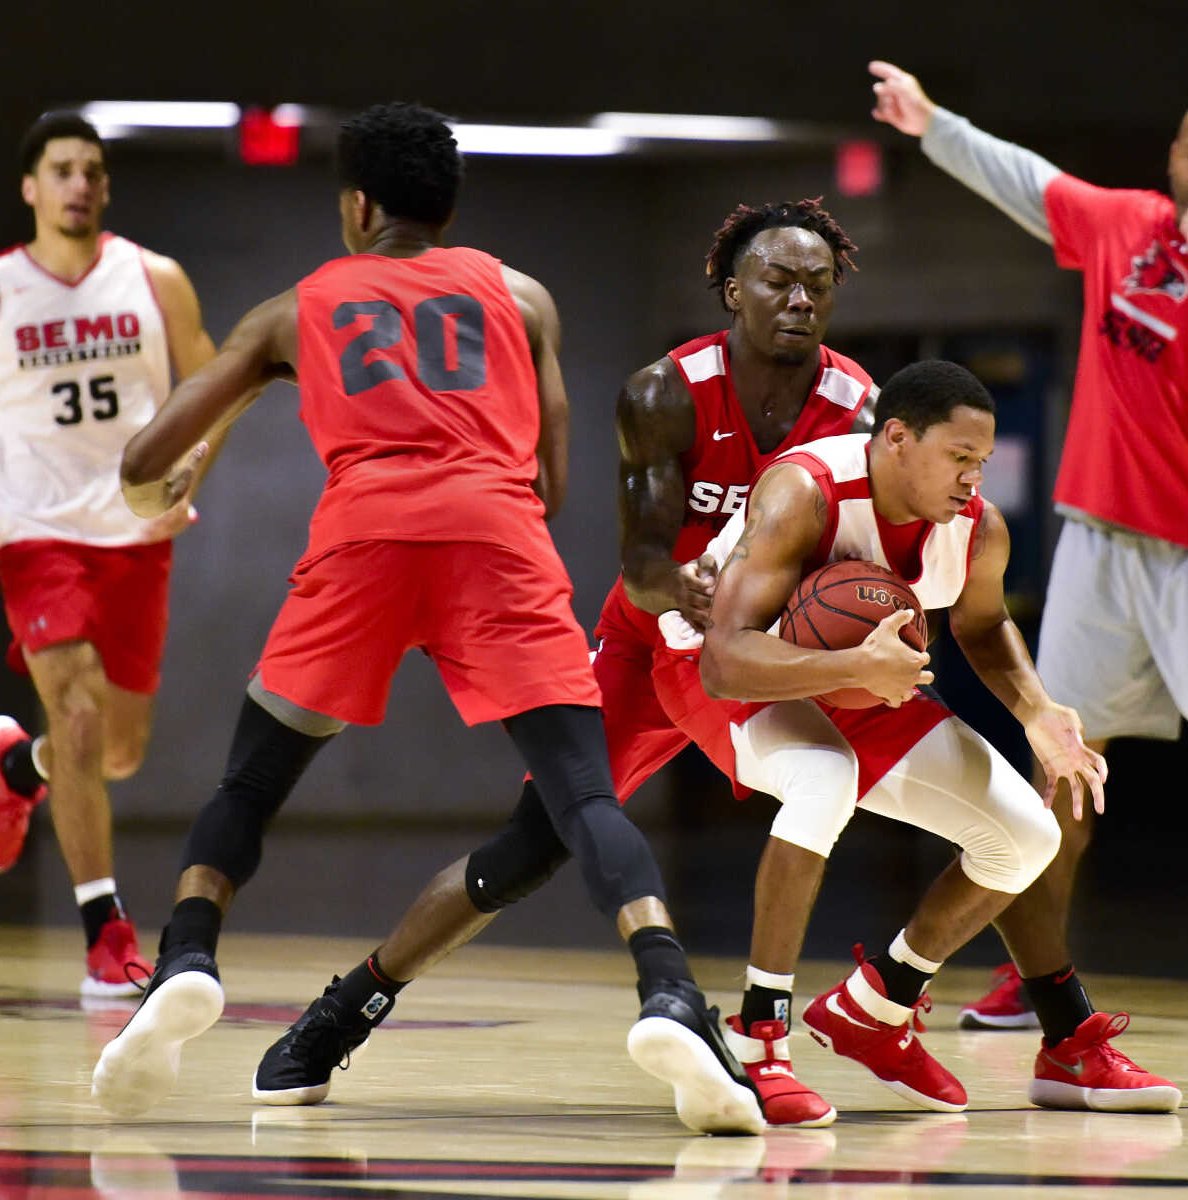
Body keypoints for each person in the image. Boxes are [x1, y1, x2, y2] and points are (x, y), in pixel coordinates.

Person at [89, 103, 763, 1136]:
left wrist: (168, 479)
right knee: (584, 795)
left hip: (363, 537)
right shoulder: (522, 297)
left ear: (358, 206)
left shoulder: (294, 308)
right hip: (496, 536)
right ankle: (666, 988)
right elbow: (551, 478)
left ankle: (184, 956)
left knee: (251, 782)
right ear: (445, 205)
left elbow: (141, 467)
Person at [243, 199, 878, 1129]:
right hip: (653, 638)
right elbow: (643, 561)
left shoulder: (858, 405)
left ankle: (843, 1018)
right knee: (526, 852)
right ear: (732, 289)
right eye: (778, 280)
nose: (799, 299)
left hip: (765, 650)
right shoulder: (665, 390)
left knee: (916, 781)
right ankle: (348, 1008)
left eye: (818, 285)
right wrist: (690, 593)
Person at [868, 62, 1188, 1037]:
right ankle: (1039, 970)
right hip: (1097, 536)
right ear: (1172, 157)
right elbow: (1022, 176)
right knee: (1061, 756)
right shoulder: (1122, 225)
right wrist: (931, 124)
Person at [658, 359, 1180, 1114]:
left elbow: (982, 623)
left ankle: (875, 1009)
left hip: (857, 677)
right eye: (958, 458)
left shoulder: (975, 527)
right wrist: (849, 663)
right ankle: (757, 1039)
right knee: (822, 776)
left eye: (982, 462)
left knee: (1024, 835)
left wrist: (1038, 714)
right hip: (729, 670)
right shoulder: (802, 493)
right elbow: (723, 658)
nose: (973, 479)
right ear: (896, 439)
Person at [0, 112, 219, 997]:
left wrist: (195, 466)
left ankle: (17, 769)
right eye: (61, 169)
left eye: (92, 170)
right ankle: (104, 932)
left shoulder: (154, 280)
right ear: (30, 188)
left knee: (116, 752)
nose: (79, 183)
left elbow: (211, 385)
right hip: (37, 532)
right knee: (76, 715)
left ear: (105, 188)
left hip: (136, 532)